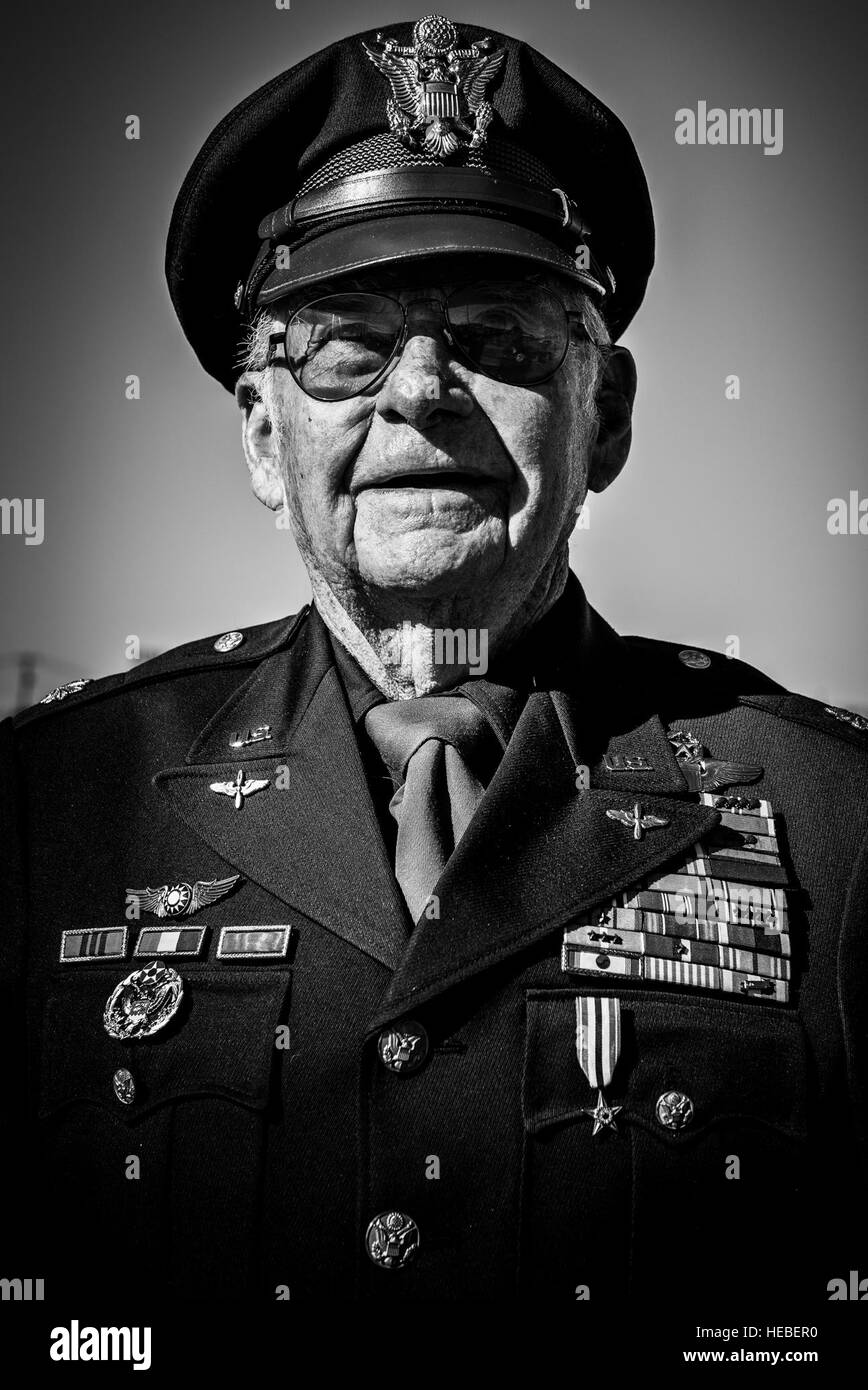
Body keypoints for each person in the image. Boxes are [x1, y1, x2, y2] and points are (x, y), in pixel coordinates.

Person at [2, 13, 866, 1307]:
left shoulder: (835, 820)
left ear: (606, 414)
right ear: (258, 434)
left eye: (499, 338)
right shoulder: (48, 806)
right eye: (346, 349)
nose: (419, 389)